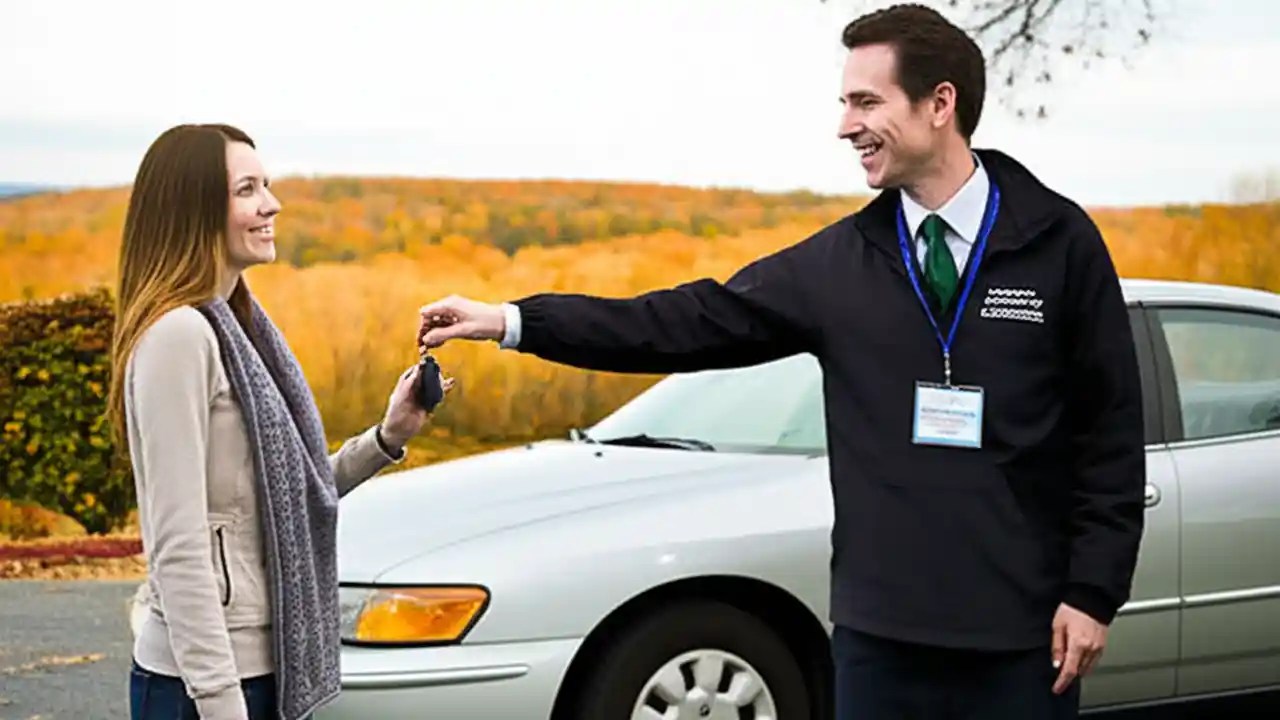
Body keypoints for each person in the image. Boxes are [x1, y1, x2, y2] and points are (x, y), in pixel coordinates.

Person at [416, 4, 1145, 718]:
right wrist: (515, 321)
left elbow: (1110, 437)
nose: (844, 125)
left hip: (1020, 642)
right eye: (843, 102)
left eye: (866, 101)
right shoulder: (839, 264)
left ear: (939, 104)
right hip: (879, 640)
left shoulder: (1058, 244)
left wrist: (1092, 594)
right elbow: (678, 322)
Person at [107, 123, 452, 720]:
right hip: (204, 686)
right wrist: (221, 704)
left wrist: (386, 438)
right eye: (247, 189)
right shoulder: (178, 336)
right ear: (193, 208)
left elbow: (289, 491)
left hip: (264, 668)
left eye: (264, 185)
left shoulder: (240, 326)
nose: (272, 204)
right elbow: (177, 544)